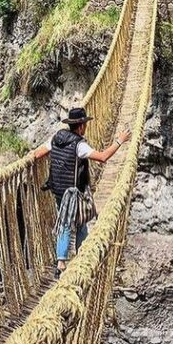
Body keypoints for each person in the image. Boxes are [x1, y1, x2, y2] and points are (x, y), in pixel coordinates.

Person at [34, 107, 131, 274]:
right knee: (78, 223)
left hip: (58, 190)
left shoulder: (55, 138)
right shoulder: (79, 145)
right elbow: (103, 157)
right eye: (84, 124)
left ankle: (63, 262)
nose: (85, 127)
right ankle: (76, 259)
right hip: (73, 193)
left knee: (66, 221)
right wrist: (119, 141)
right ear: (80, 126)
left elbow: (37, 154)